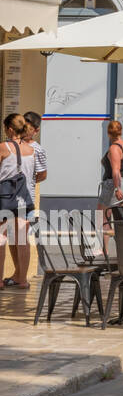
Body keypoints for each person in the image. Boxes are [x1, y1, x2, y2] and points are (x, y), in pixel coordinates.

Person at [0, 114, 37, 289]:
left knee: (1, 238)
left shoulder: (3, 147)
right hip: (24, 198)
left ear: (9, 129)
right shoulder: (31, 150)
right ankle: (22, 279)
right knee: (22, 238)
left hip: (5, 199)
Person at [98, 120, 123, 221]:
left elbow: (116, 170)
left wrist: (117, 188)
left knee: (101, 216)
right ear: (121, 131)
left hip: (116, 184)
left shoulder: (114, 148)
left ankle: (103, 237)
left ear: (108, 133)